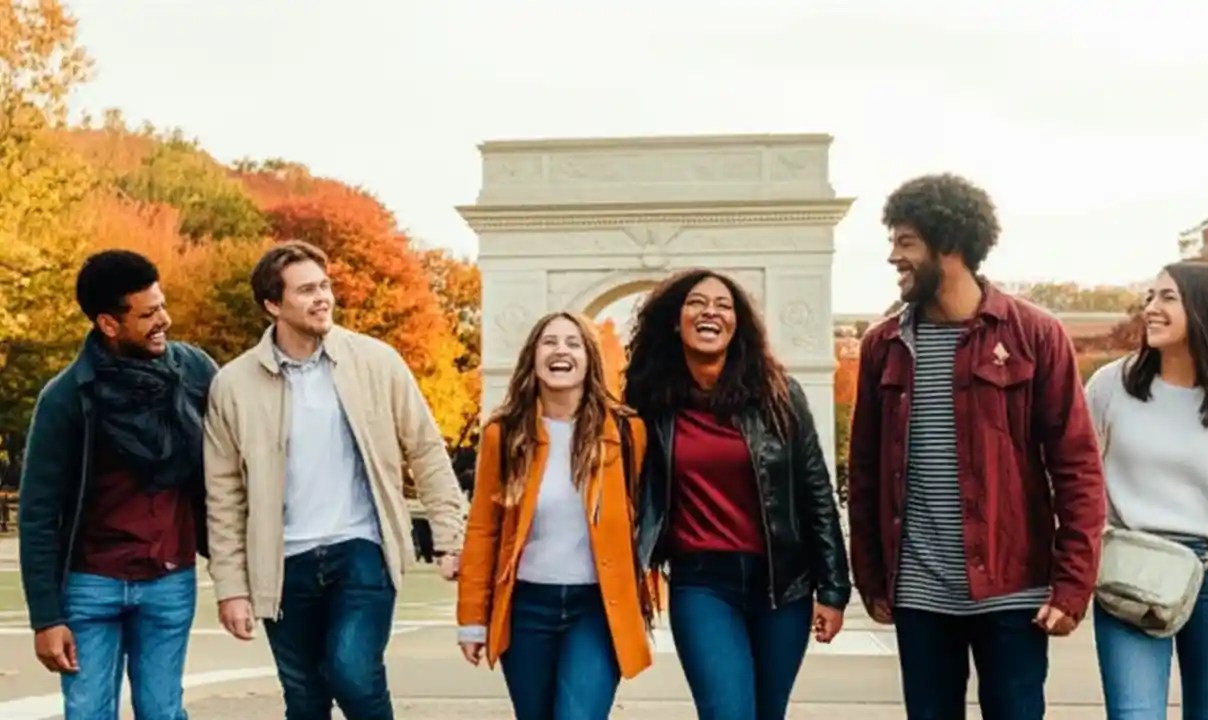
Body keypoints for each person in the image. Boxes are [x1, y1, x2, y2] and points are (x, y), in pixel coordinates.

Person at [847, 173, 1107, 718]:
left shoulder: (1035, 334)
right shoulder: (882, 347)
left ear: (950, 245)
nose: (894, 256)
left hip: (1013, 592)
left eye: (906, 242)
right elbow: (866, 470)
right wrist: (870, 575)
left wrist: (1072, 583)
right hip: (919, 596)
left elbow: (1077, 466)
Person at [202, 240, 467, 720]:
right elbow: (223, 496)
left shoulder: (377, 361)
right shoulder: (233, 385)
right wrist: (231, 587)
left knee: (352, 671)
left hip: (361, 548)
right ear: (272, 304)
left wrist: (451, 535)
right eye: (306, 290)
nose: (322, 297)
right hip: (282, 564)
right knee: (304, 698)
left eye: (324, 286)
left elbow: (426, 449)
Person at [627, 269, 851, 720]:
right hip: (702, 584)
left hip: (782, 587)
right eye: (696, 302)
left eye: (723, 304)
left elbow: (816, 493)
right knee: (727, 713)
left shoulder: (780, 395)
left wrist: (833, 589)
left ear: (737, 323)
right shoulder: (649, 402)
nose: (710, 311)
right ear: (675, 320)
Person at [18, 250, 217, 719]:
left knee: (162, 710)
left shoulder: (194, 373)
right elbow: (38, 514)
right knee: (87, 712)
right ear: (109, 324)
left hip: (170, 579)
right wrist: (46, 618)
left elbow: (232, 462)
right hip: (90, 585)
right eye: (148, 314)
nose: (164, 320)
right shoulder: (66, 398)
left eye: (162, 305)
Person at [1085, 261, 1208, 718]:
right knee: (1134, 714)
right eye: (1150, 297)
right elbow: (1077, 479)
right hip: (1128, 572)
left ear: (1205, 309)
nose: (1151, 308)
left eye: (1167, 298)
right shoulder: (1111, 385)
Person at [456, 311, 652, 720]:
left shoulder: (626, 431)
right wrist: (473, 618)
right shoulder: (504, 434)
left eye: (572, 342)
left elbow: (647, 517)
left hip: (597, 608)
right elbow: (483, 530)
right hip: (526, 607)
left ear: (589, 359)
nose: (560, 350)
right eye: (549, 342)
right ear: (532, 357)